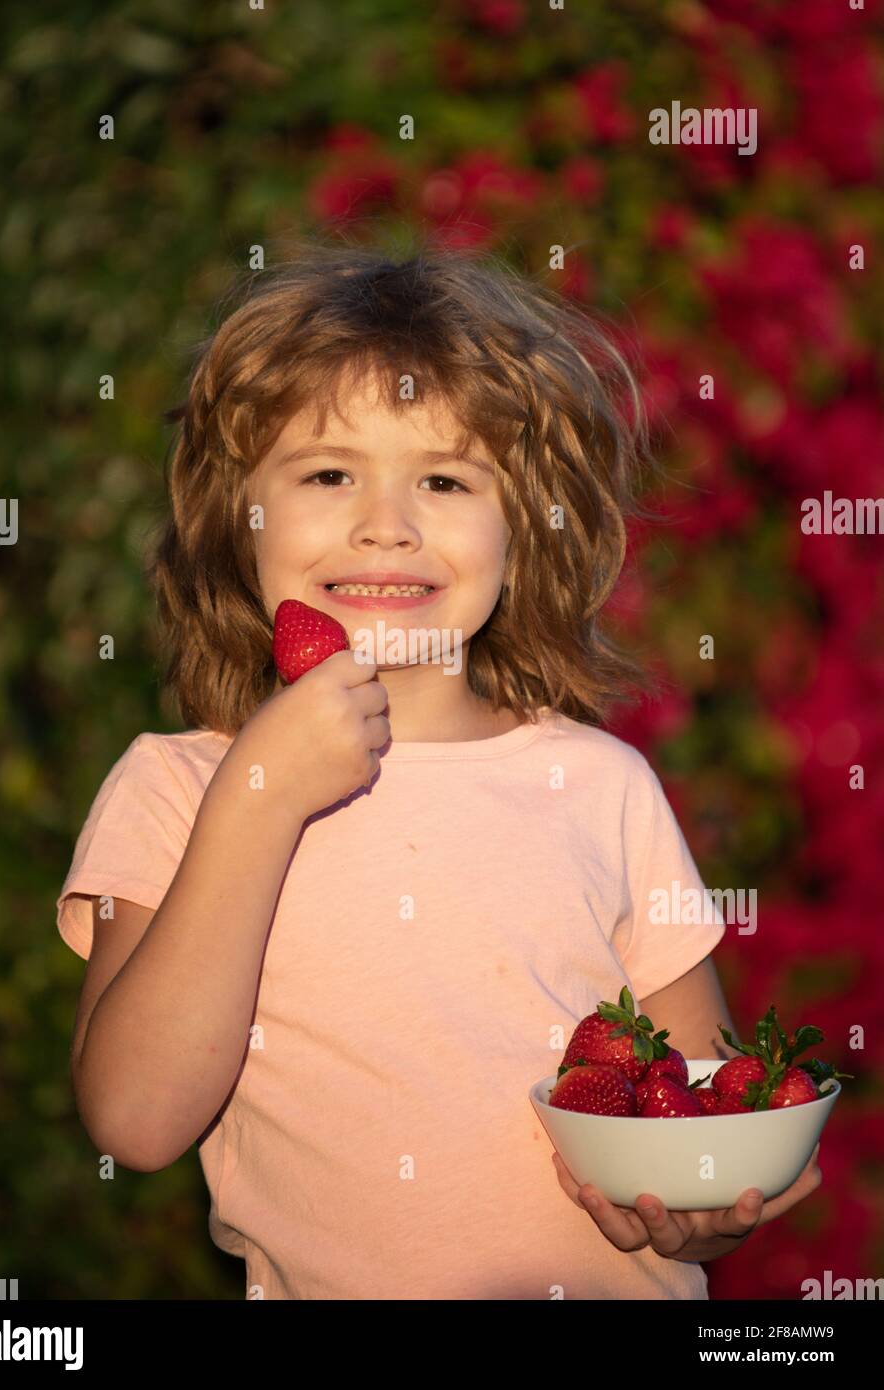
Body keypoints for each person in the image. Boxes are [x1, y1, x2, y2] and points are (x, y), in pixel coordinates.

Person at [57, 242, 821, 1300]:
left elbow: (698, 1130)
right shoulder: (182, 789)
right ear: (242, 514)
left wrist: (694, 1213)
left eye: (445, 478)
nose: (386, 523)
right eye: (328, 473)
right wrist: (263, 793)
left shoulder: (599, 788)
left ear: (523, 527)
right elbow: (136, 1118)